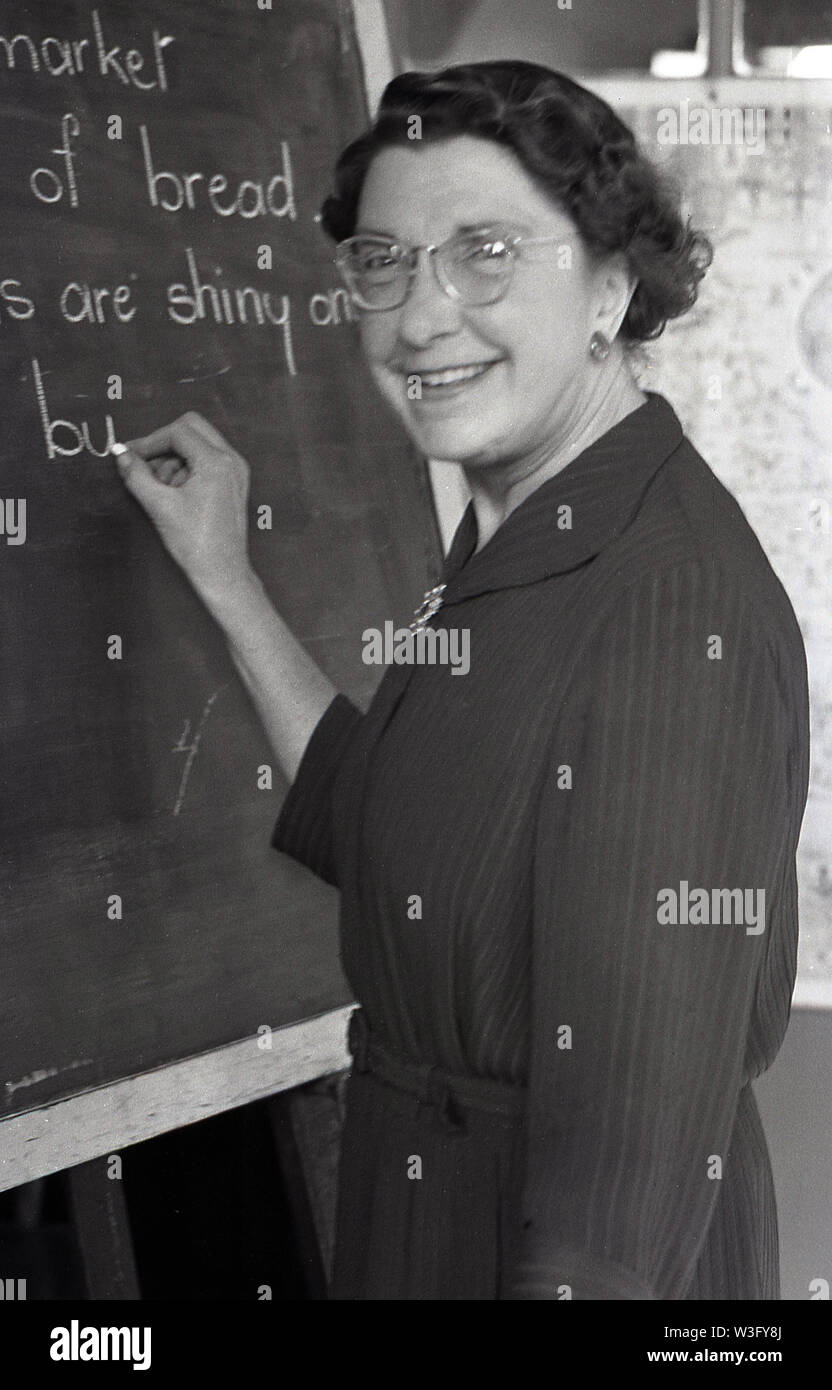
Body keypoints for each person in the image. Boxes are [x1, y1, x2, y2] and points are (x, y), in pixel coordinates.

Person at [115, 62, 810, 1300]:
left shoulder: (665, 605)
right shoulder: (516, 538)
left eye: (485, 252)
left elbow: (622, 1183)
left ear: (609, 285)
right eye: (383, 261)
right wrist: (223, 576)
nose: (418, 317)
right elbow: (379, 826)